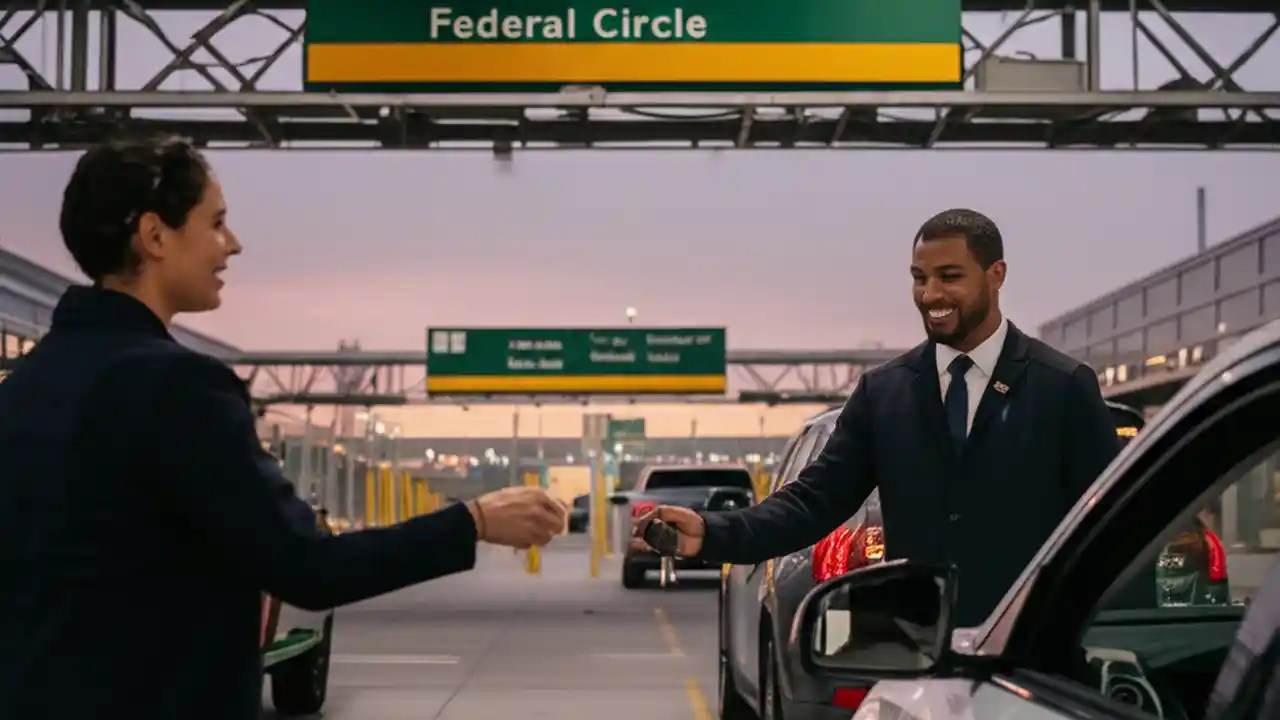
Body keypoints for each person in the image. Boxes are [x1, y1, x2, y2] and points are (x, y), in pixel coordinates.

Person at [0, 136, 567, 720]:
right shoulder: (181, 389)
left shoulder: (24, 388)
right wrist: (473, 522)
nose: (233, 244)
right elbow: (308, 569)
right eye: (216, 223)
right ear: (154, 236)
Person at [634, 208, 1120, 627]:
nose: (930, 294)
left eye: (950, 276)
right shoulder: (884, 392)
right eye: (919, 277)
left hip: (1030, 654)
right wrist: (711, 532)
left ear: (997, 274)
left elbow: (1105, 527)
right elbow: (813, 501)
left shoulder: (1063, 386)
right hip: (913, 654)